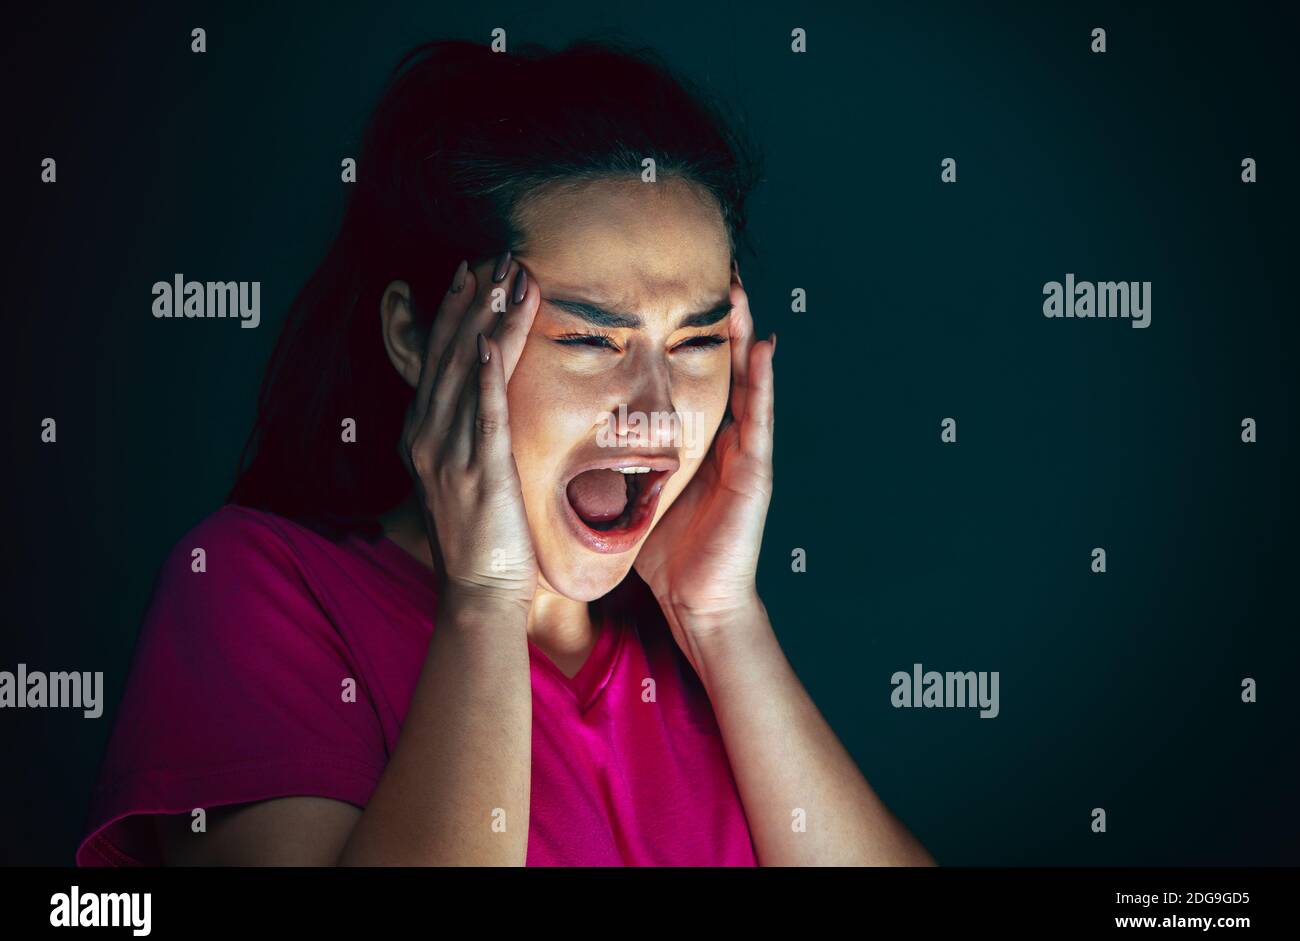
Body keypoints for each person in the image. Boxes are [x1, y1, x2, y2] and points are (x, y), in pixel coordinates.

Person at [76, 37, 934, 866]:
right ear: (419, 338)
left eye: (697, 343)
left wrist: (724, 621)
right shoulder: (252, 586)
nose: (659, 410)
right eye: (591, 341)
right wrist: (486, 599)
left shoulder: (691, 650)